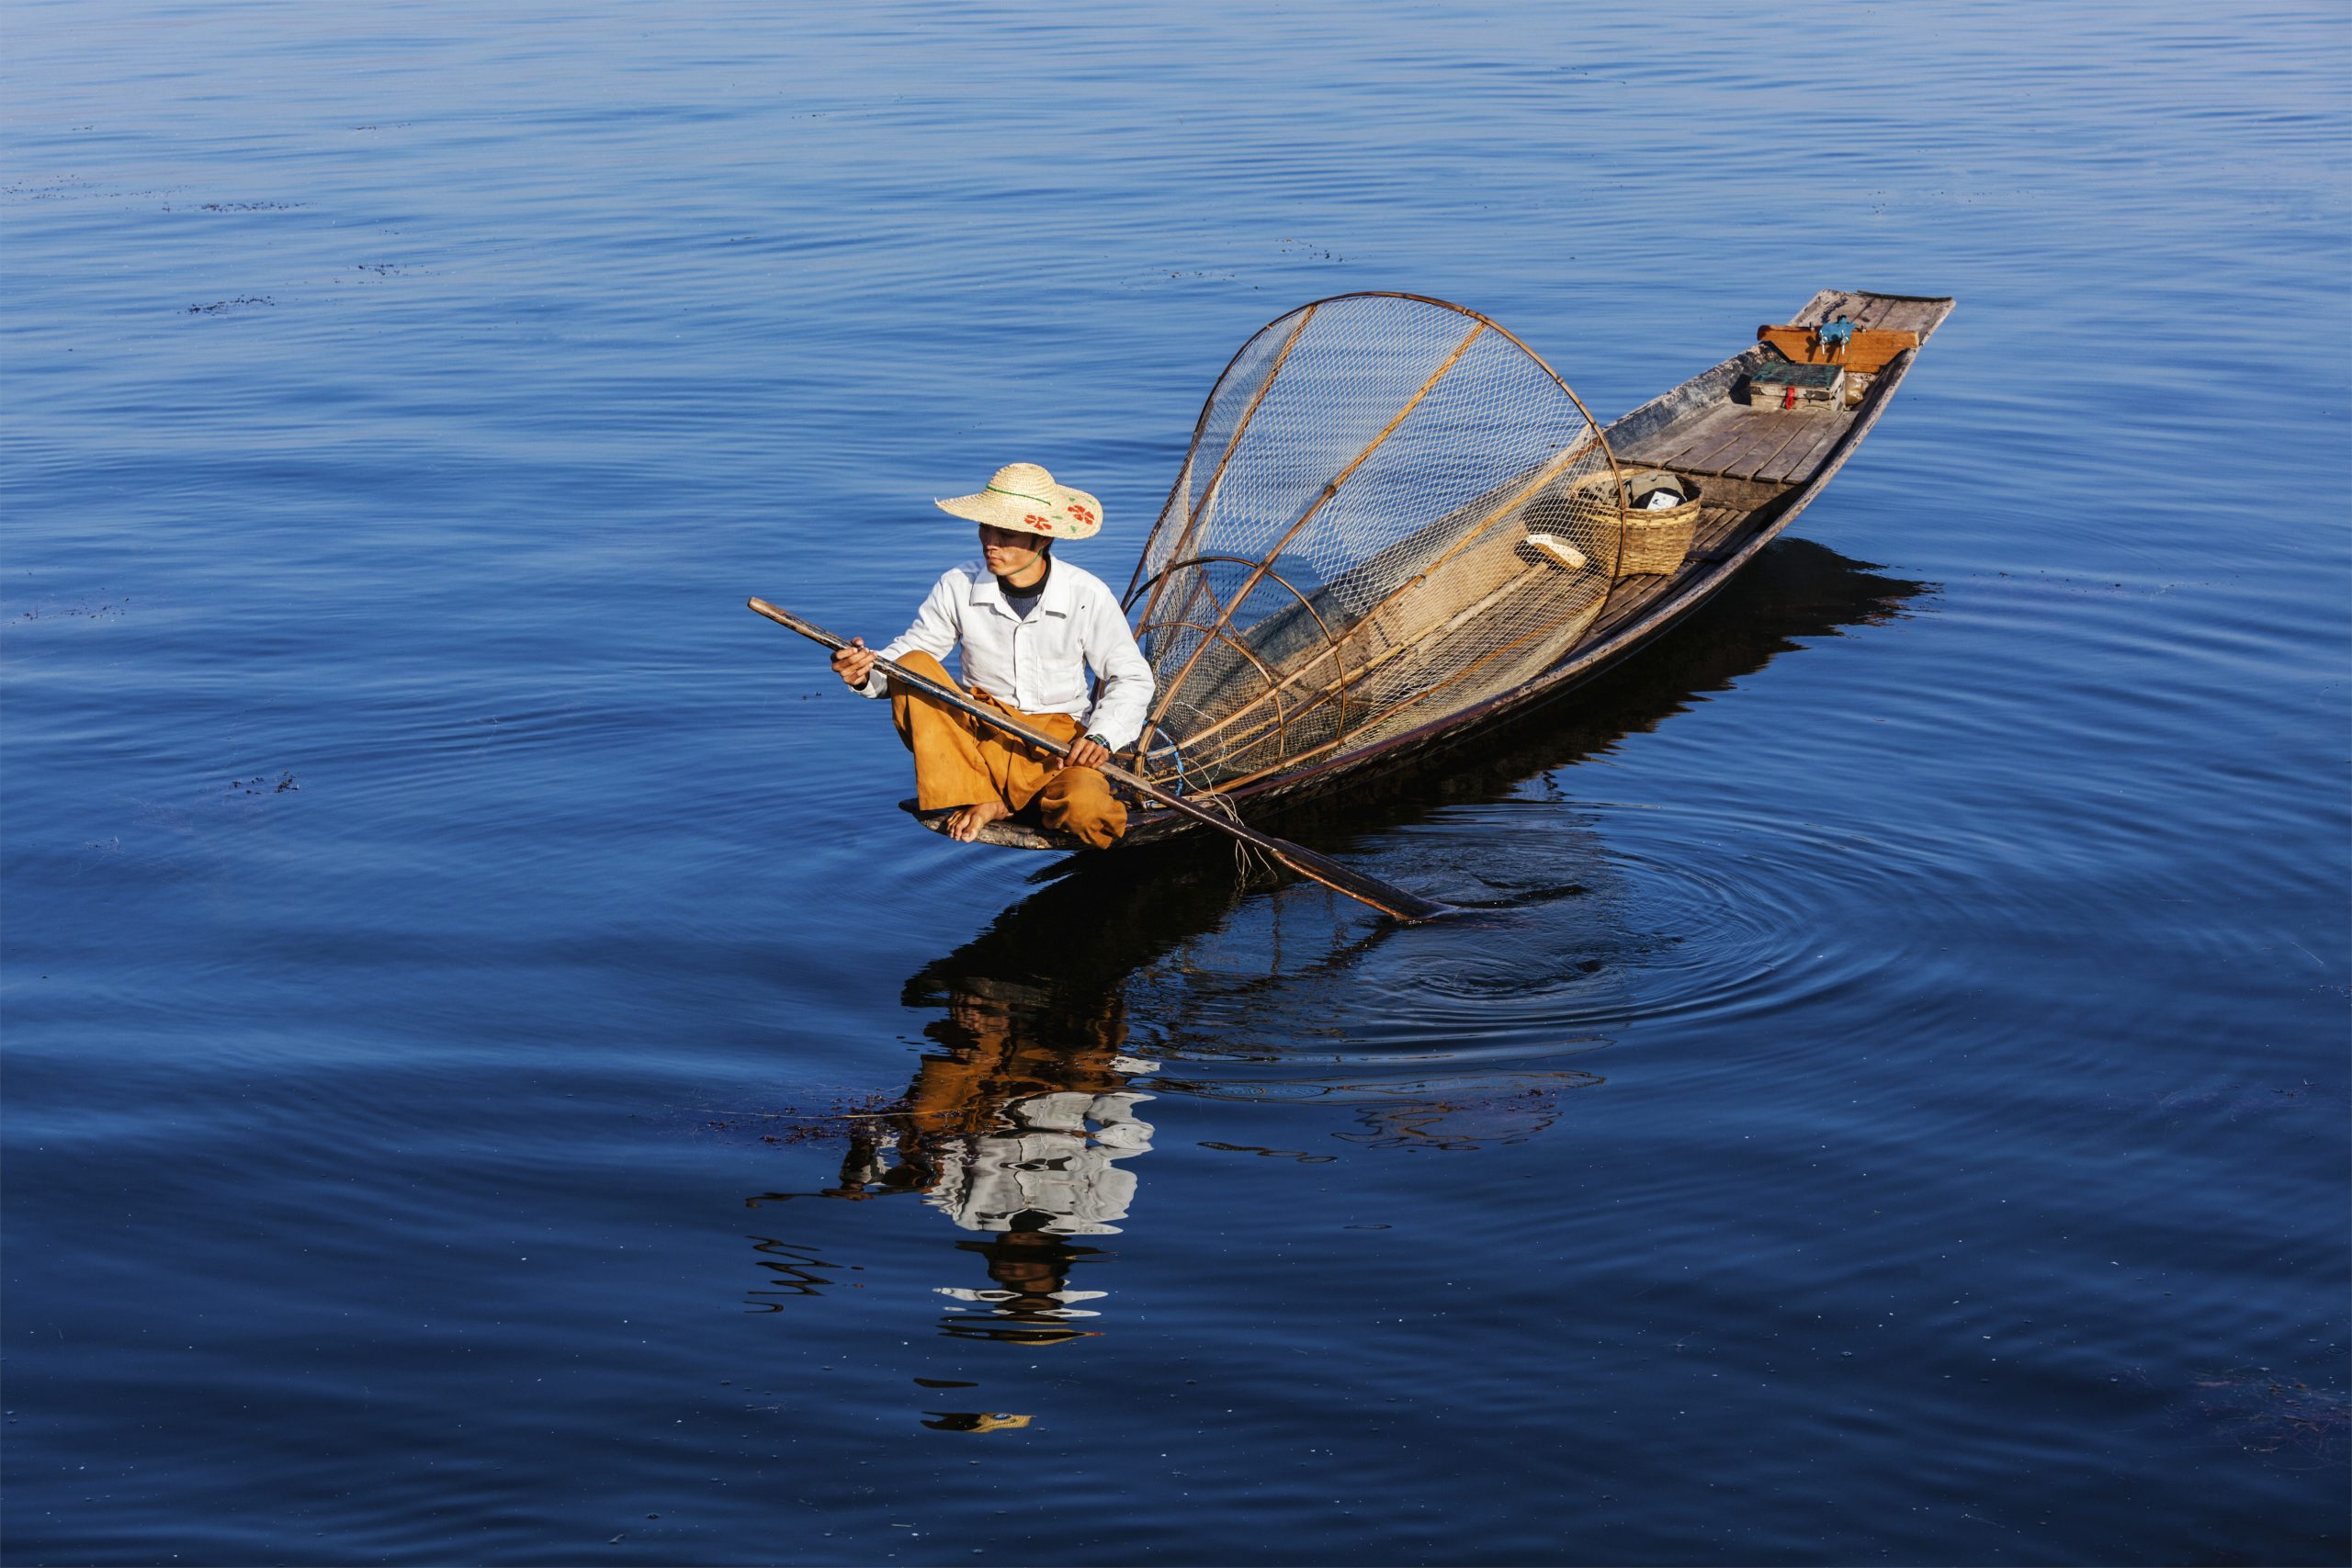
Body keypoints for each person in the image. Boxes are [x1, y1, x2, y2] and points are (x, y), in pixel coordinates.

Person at [830, 462, 1154, 847]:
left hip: (1057, 748)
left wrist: (1102, 736)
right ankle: (989, 793)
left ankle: (1002, 802)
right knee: (912, 665)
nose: (990, 542)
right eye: (986, 528)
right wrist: (865, 672)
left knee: (1087, 812)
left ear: (1041, 538)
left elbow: (1131, 677)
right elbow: (911, 652)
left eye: (1006, 533)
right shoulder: (957, 585)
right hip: (982, 738)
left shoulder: (1086, 594)